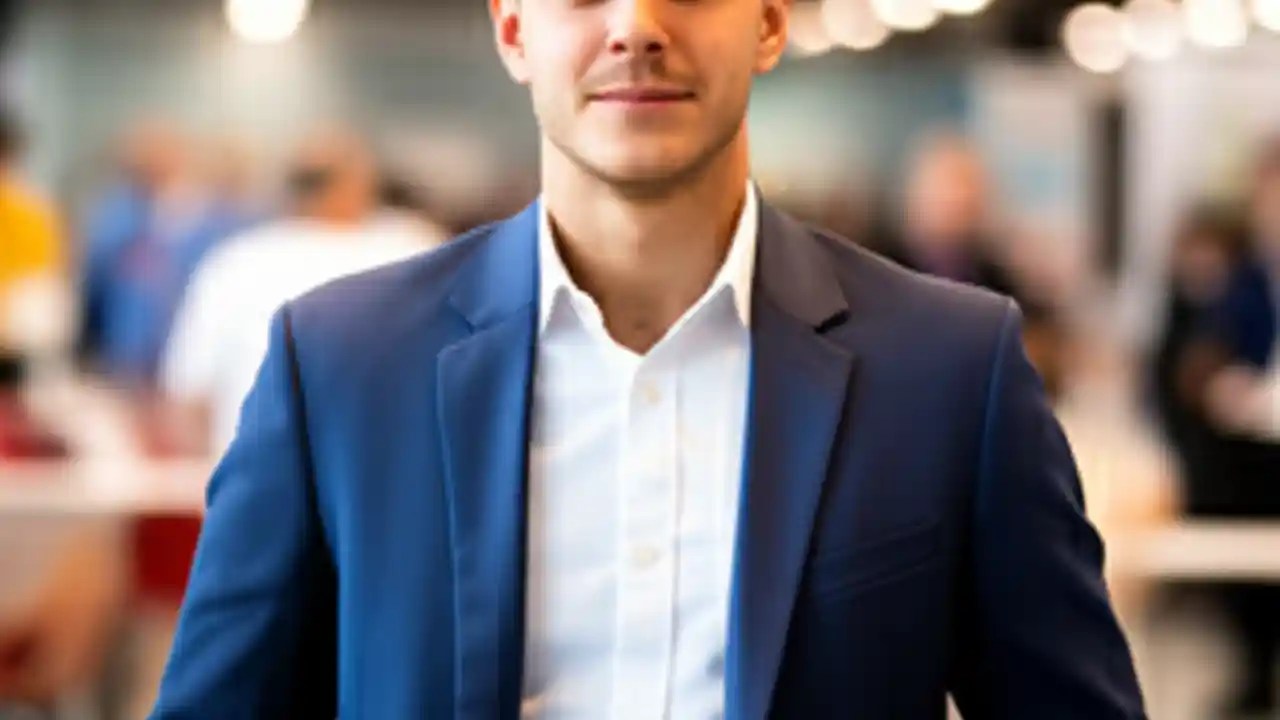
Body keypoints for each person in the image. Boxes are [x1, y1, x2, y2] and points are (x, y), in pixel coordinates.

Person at [152, 1, 1145, 718]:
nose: (634, 24)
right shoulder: (339, 368)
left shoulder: (946, 371)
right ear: (511, 28)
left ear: (767, 21)